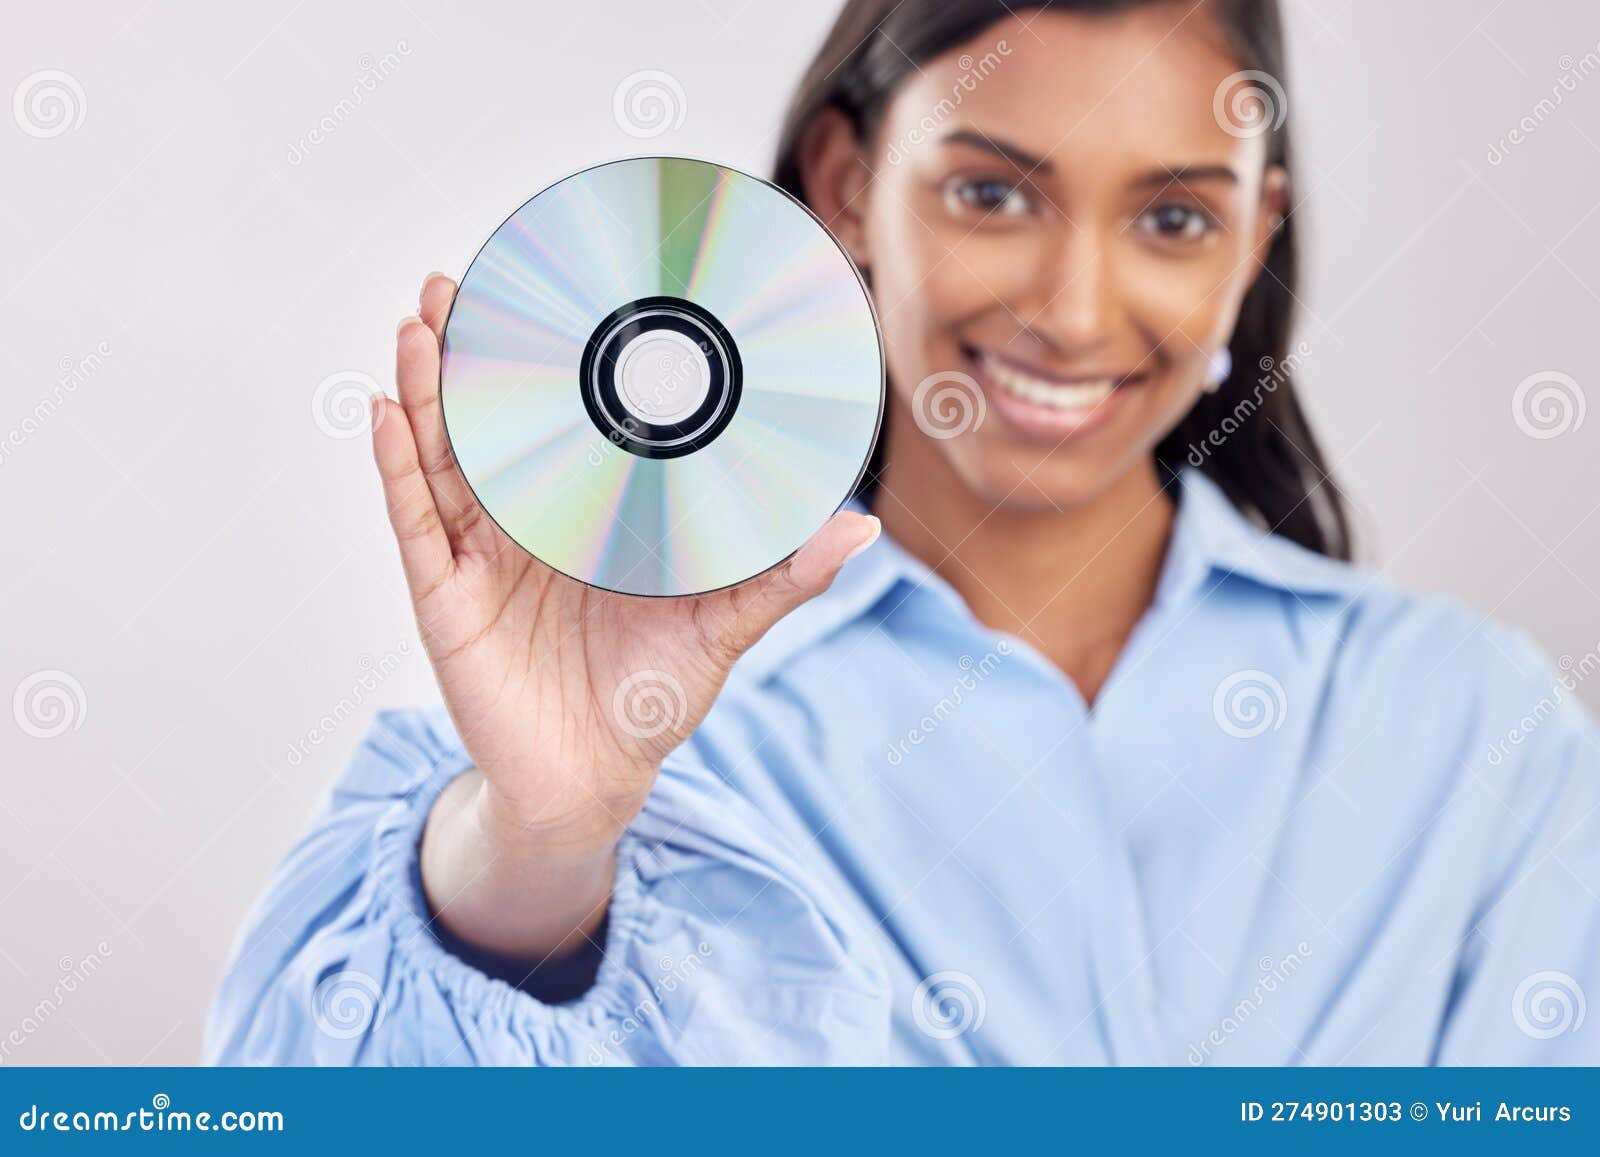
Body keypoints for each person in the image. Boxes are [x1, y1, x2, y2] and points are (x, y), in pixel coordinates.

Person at [206, 0, 1600, 1065]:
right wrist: (540, 849)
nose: (1071, 307)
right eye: (992, 193)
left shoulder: (1475, 728)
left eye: (1174, 216)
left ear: (1253, 240)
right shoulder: (640, 716)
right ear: (843, 183)